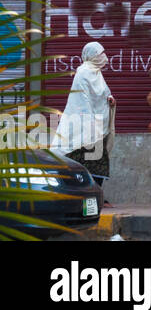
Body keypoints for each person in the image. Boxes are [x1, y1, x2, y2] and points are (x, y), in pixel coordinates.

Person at [51, 42, 115, 195]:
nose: (104, 58)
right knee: (79, 160)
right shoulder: (83, 73)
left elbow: (102, 94)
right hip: (83, 125)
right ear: (92, 55)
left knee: (98, 161)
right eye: (101, 54)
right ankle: (80, 193)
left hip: (98, 125)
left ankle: (96, 195)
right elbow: (81, 100)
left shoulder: (97, 73)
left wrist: (110, 99)